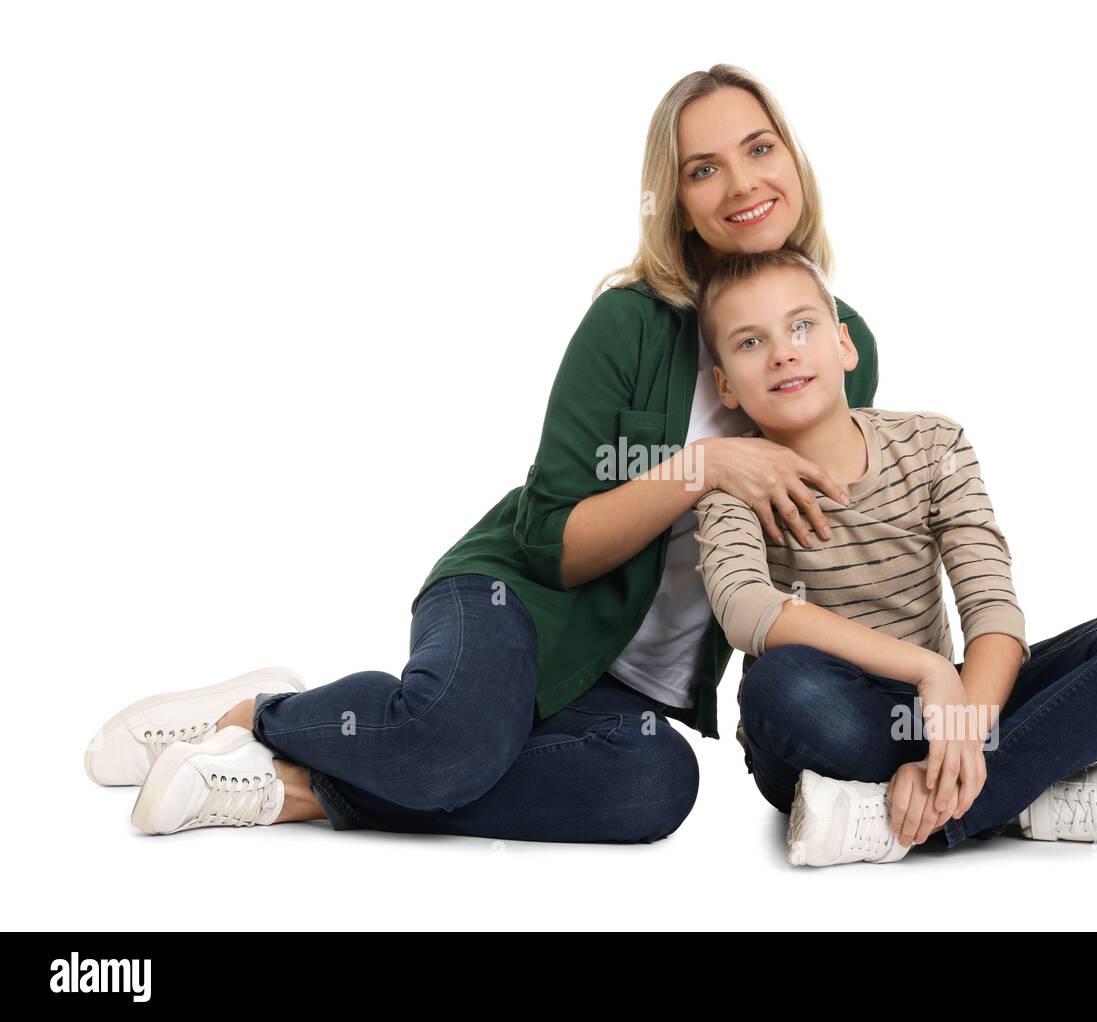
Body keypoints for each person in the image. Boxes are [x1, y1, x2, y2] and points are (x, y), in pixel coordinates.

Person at [83, 65, 888, 840]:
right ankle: (259, 717)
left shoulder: (843, 346)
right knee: (451, 739)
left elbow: (818, 551)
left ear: (792, 157)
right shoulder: (629, 324)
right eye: (704, 168)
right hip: (515, 603)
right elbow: (553, 546)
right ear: (676, 204)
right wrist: (704, 468)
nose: (743, 184)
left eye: (759, 148)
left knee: (655, 786)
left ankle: (300, 786)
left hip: (622, 688)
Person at [692, 247, 1097, 865]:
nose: (783, 351)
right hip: (838, 719)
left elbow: (992, 609)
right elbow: (748, 609)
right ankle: (1021, 794)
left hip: (955, 713)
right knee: (782, 687)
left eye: (801, 326)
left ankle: (893, 817)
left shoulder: (934, 443)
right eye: (750, 343)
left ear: (844, 345)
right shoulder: (733, 483)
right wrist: (928, 671)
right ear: (725, 383)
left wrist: (960, 726)